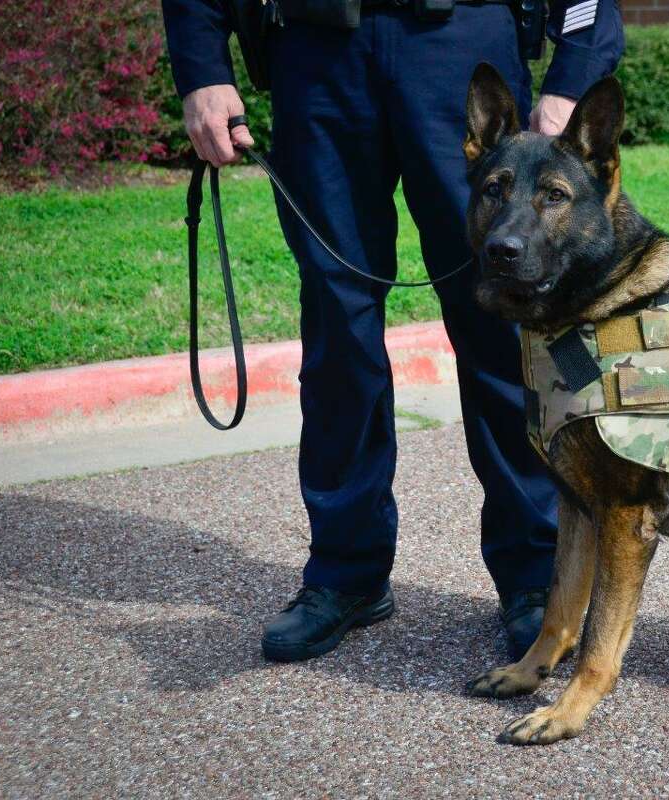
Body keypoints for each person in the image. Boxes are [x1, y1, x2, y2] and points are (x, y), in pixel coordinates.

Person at [161, 0, 624, 661]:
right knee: (336, 330)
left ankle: (538, 572)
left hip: (463, 46)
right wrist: (201, 64)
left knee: (503, 320)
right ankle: (345, 572)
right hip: (317, 52)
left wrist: (573, 72)